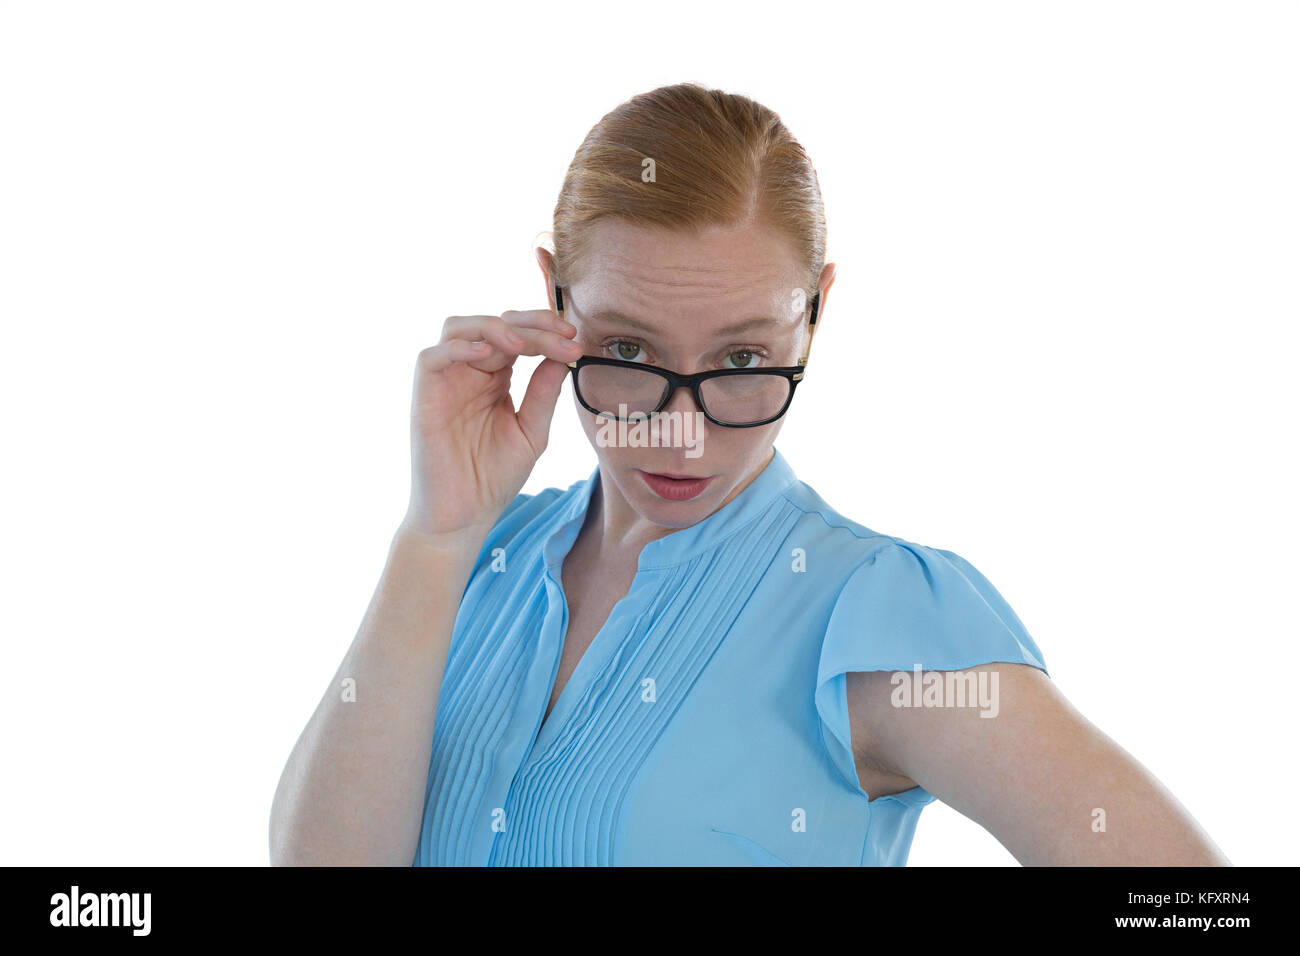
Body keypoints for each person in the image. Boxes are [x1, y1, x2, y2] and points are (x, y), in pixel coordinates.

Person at [269, 82, 1230, 866]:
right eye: (630, 349)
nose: (682, 436)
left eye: (739, 362)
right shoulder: (476, 565)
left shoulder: (876, 619)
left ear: (815, 314)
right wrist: (433, 540)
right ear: (553, 296)